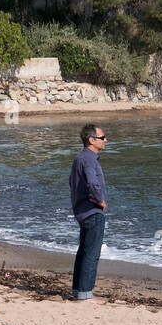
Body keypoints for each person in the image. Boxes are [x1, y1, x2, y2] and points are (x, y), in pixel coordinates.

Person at [69, 123, 109, 302]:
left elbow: (72, 183)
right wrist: (100, 200)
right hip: (92, 211)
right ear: (92, 140)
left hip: (83, 211)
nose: (105, 140)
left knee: (83, 252)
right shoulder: (89, 159)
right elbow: (92, 184)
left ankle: (78, 290)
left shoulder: (80, 158)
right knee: (91, 253)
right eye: (102, 138)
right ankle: (85, 294)